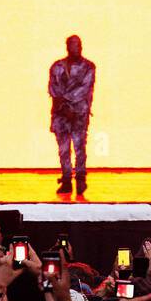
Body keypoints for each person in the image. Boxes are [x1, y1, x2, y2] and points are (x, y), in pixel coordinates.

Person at [47, 34, 95, 197]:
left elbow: (84, 88)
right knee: (63, 149)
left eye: (79, 45)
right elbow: (53, 87)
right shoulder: (57, 66)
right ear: (68, 47)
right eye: (73, 45)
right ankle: (66, 180)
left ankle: (80, 179)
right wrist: (63, 105)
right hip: (61, 113)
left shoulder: (89, 67)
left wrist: (68, 102)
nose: (77, 48)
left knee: (79, 146)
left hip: (78, 114)